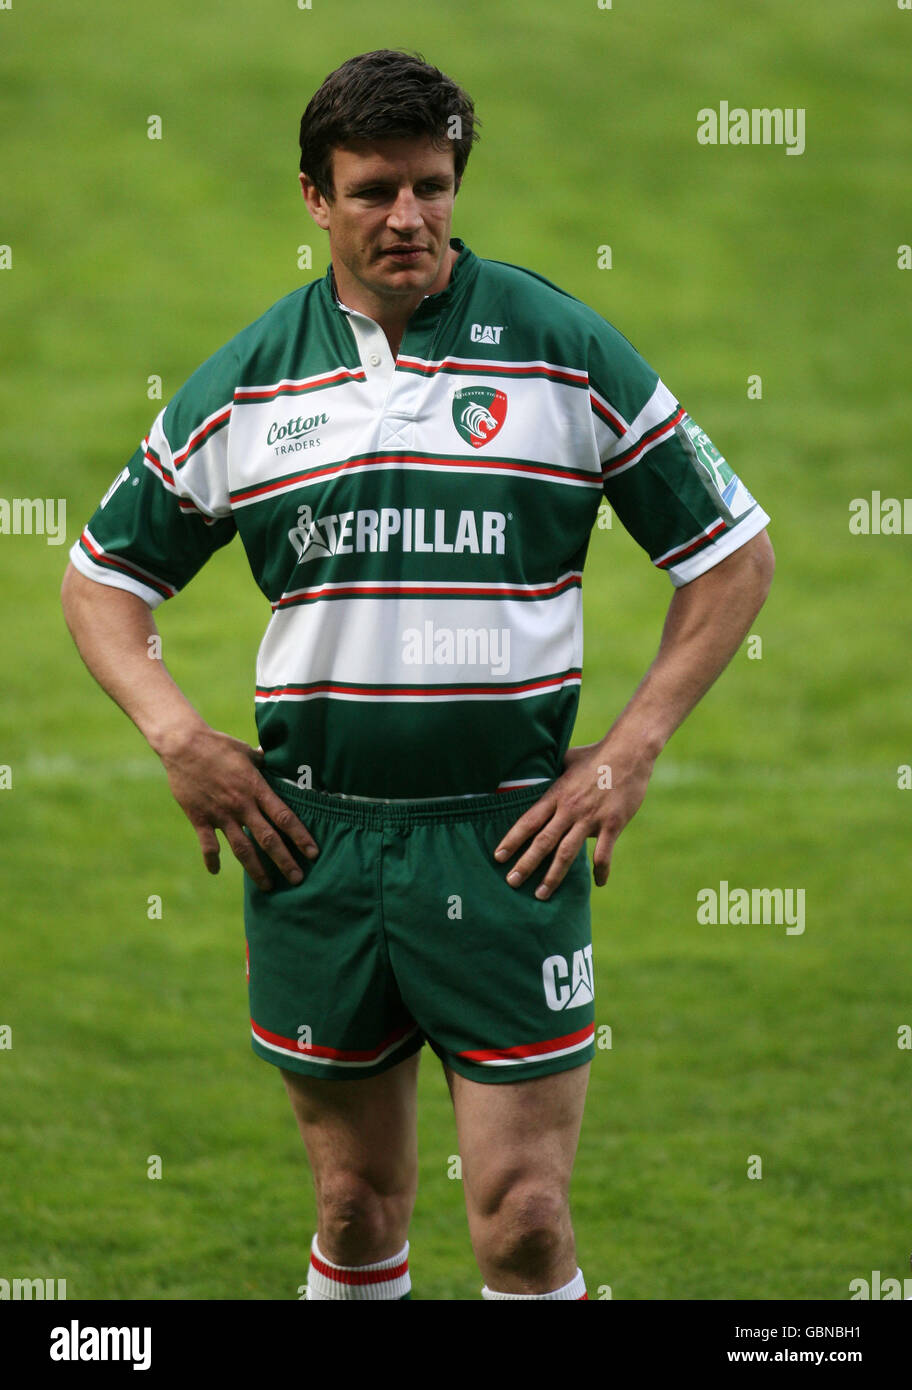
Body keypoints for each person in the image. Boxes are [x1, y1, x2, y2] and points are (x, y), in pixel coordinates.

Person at [61, 49, 775, 1301]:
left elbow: (732, 556)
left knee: (528, 1220)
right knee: (354, 1206)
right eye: (375, 190)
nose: (408, 217)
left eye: (433, 186)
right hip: (315, 847)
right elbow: (102, 578)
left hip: (509, 846)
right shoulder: (252, 380)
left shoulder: (560, 349)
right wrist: (178, 734)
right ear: (314, 198)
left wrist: (629, 751)